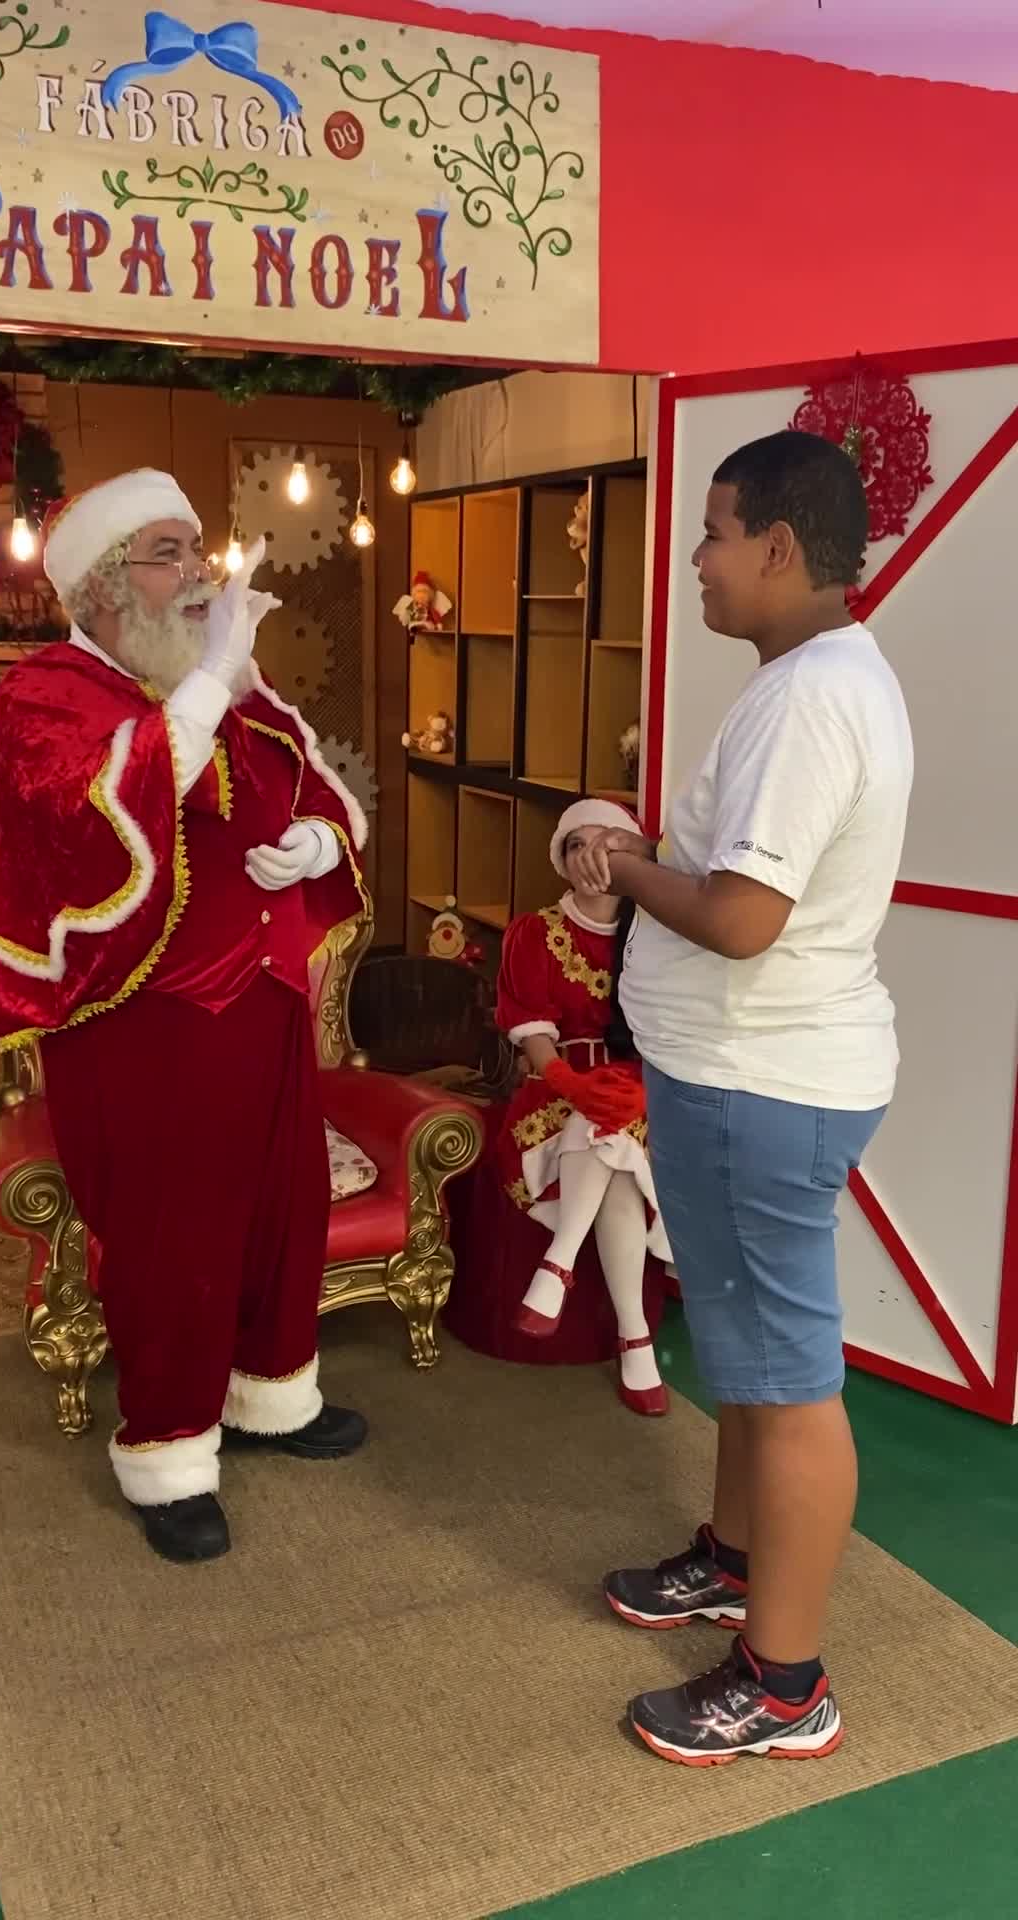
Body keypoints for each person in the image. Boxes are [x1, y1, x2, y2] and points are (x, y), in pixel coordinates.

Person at [0, 469, 371, 1565]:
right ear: (98, 588)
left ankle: (274, 1394)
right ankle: (170, 1449)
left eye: (198, 550)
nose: (198, 574)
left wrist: (322, 842)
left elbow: (314, 779)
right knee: (172, 1239)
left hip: (269, 998)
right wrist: (217, 679)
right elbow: (109, 812)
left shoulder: (213, 674)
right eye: (166, 554)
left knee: (284, 1212)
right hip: (145, 1028)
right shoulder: (48, 697)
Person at [579, 431, 913, 1764]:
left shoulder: (811, 700)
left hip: (762, 1080)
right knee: (743, 1352)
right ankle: (730, 1557)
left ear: (779, 548)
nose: (700, 564)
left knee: (788, 1379)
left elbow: (741, 916)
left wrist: (621, 860)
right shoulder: (813, 680)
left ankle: (784, 1683)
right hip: (739, 1075)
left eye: (714, 535)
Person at [494, 799, 671, 1415]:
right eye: (577, 844)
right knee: (605, 1134)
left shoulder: (660, 930)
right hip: (556, 1089)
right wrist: (569, 1079)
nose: (593, 855)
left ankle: (557, 1264)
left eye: (610, 842)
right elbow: (533, 1033)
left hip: (641, 1093)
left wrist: (642, 1088)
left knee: (614, 1131)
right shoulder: (535, 931)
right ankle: (636, 1343)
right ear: (564, 864)